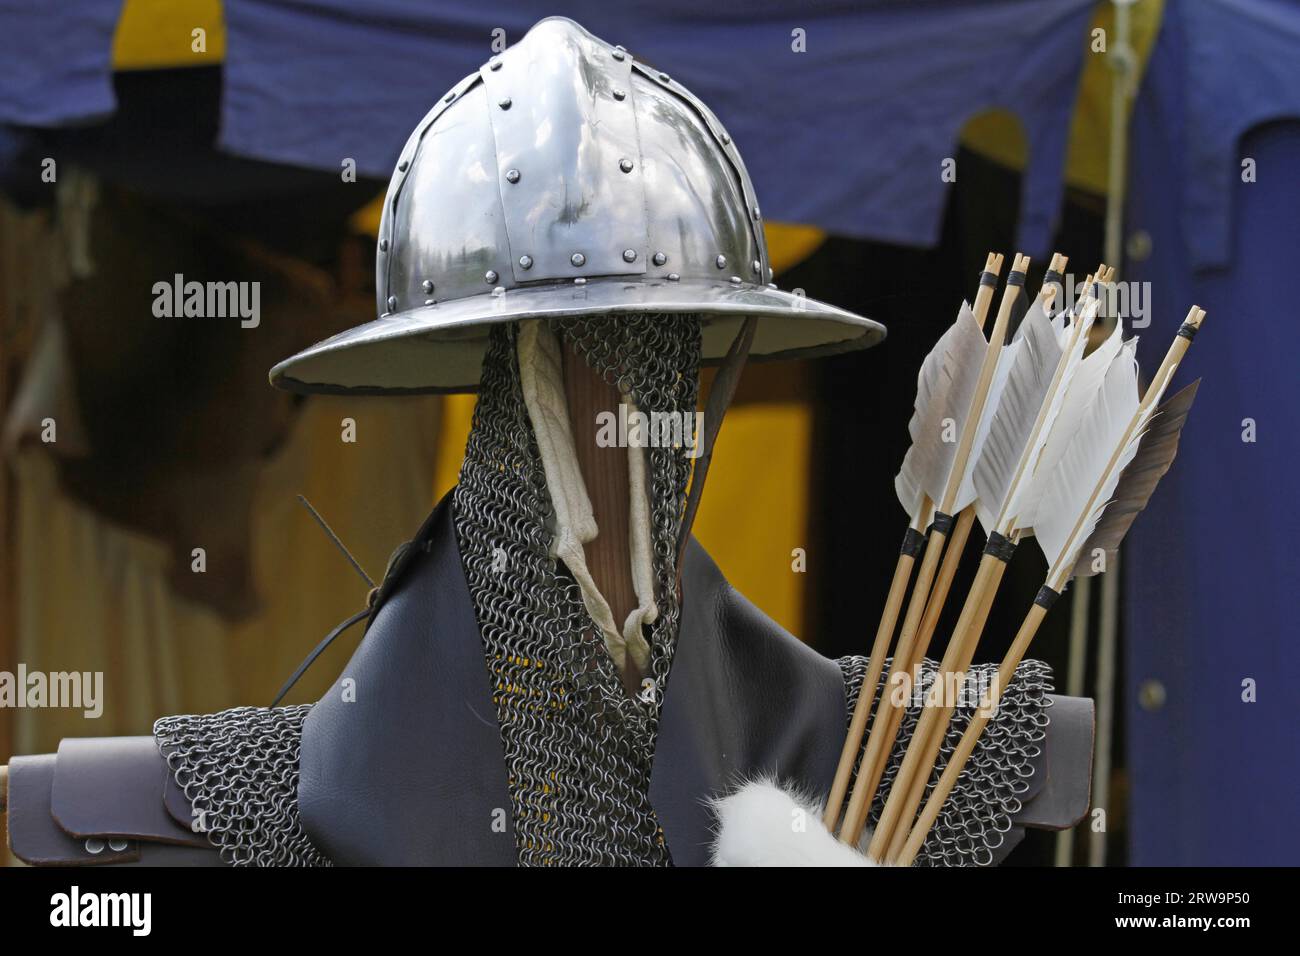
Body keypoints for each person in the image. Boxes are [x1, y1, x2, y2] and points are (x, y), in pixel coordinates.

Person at [3, 17, 1088, 868]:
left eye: (652, 357)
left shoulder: (888, 757)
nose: (608, 415)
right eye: (558, 362)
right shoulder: (245, 797)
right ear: (495, 380)